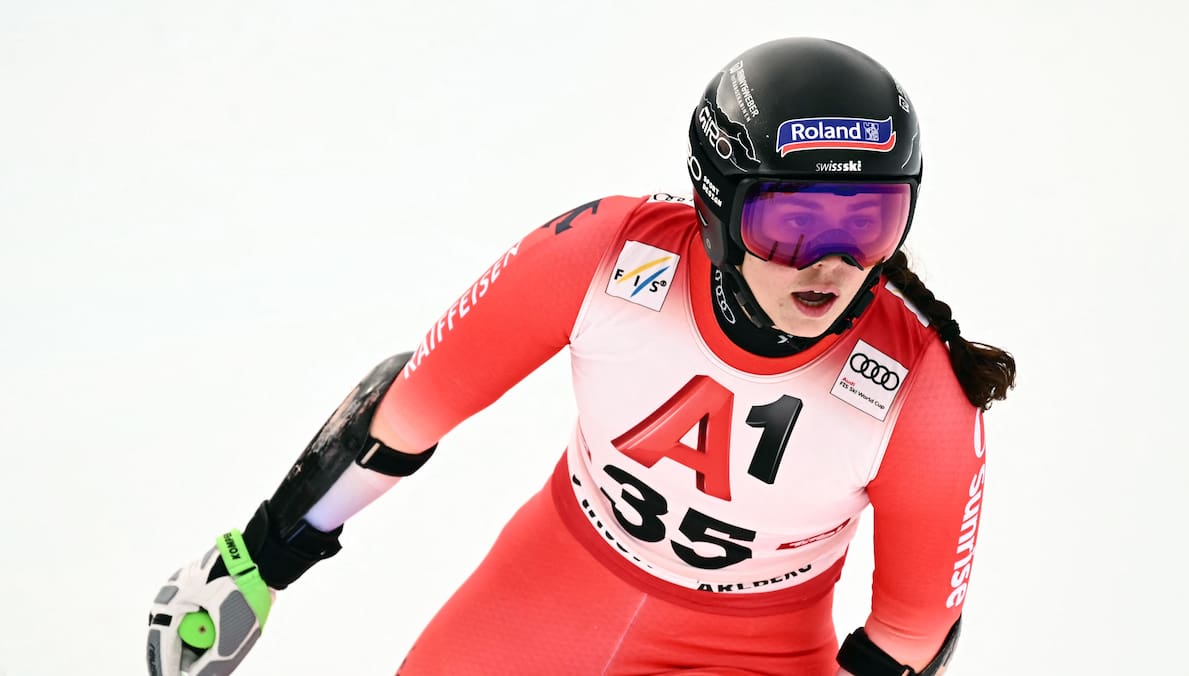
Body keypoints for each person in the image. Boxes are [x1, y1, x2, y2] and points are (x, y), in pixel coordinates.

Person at [146, 37, 1016, 676]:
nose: (830, 265)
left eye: (869, 222)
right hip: (548, 594)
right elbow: (410, 412)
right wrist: (259, 562)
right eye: (789, 224)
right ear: (715, 205)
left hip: (758, 653)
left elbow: (910, 633)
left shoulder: (924, 391)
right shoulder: (604, 257)